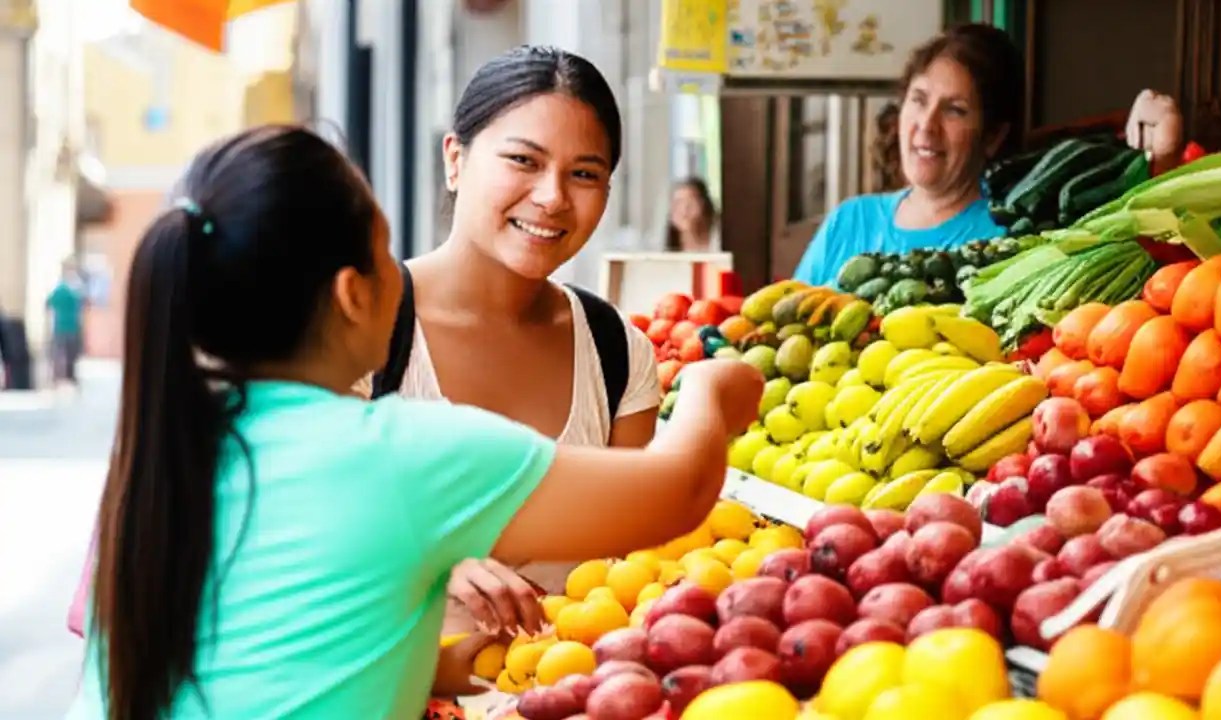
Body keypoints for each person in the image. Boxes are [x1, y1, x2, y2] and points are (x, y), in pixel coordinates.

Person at [67, 124, 763, 720]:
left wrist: (505, 666)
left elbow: (297, 655)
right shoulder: (397, 454)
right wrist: (708, 387)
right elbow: (678, 489)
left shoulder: (177, 442)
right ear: (350, 295)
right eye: (384, 252)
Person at [354, 46, 663, 646]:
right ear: (455, 159)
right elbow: (293, 526)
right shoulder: (360, 332)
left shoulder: (618, 355)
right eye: (523, 160)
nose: (552, 197)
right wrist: (422, 563)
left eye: (584, 173)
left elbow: (632, 571)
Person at [794, 23, 1185, 286]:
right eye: (919, 100)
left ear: (993, 136)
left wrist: (1161, 159)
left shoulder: (1018, 233)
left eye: (954, 110)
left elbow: (1143, 261)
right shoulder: (848, 221)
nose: (926, 126)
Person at [46, 259, 86, 387]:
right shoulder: (72, 289)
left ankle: (63, 377)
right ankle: (63, 377)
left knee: (66, 353)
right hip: (66, 326)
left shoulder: (66, 288)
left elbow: (48, 305)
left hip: (67, 326)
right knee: (64, 352)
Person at [665, 177, 718, 252]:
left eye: (690, 203)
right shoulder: (666, 243)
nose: (684, 211)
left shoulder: (718, 239)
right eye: (678, 203)